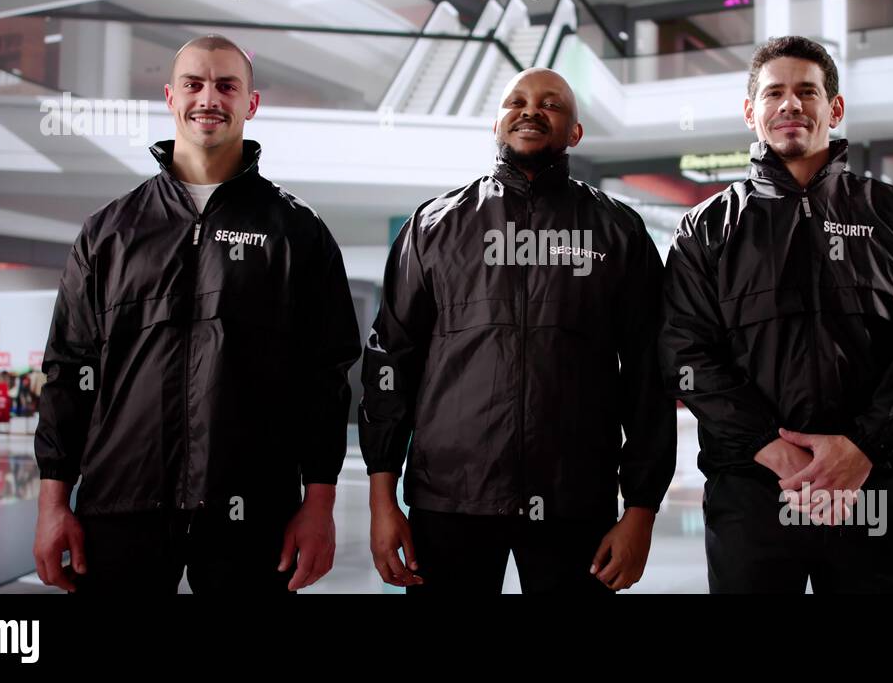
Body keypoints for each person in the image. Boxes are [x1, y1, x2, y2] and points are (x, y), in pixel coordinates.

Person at [33, 35, 361, 593]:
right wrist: (52, 504)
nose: (209, 97)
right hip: (121, 504)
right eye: (194, 83)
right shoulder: (110, 232)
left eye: (227, 85)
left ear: (250, 105)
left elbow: (325, 381)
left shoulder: (298, 234)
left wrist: (319, 504)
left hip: (252, 510)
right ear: (170, 97)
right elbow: (69, 371)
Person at [360, 68, 676, 594]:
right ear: (497, 122)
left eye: (551, 105)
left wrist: (641, 509)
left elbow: (649, 375)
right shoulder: (435, 225)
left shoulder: (618, 231)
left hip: (574, 500)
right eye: (517, 101)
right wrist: (382, 499)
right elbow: (390, 359)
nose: (531, 111)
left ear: (575, 132)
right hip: (450, 499)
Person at [659, 36, 893, 594]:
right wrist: (775, 451)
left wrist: (863, 447)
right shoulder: (707, 229)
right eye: (774, 93)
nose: (789, 105)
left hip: (872, 489)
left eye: (806, 92)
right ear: (752, 113)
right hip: (753, 491)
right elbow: (685, 351)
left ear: (834, 108)